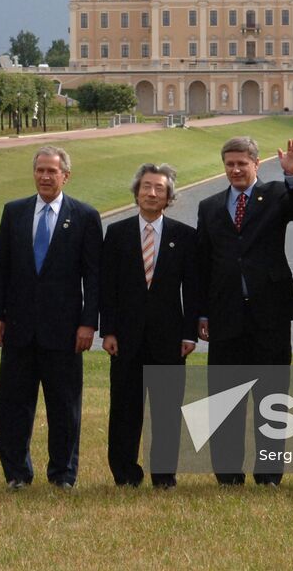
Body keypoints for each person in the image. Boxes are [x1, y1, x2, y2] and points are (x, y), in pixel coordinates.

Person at [196, 136, 293, 486]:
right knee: (224, 396)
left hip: (270, 313)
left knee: (272, 397)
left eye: (242, 164)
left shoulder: (277, 194)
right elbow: (203, 263)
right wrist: (201, 313)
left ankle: (269, 474)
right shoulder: (210, 206)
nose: (235, 170)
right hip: (225, 313)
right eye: (230, 164)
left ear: (256, 164)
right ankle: (228, 473)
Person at [0, 146, 101, 489]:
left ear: (66, 175)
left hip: (65, 331)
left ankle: (63, 474)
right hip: (18, 328)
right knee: (14, 406)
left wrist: (88, 322)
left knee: (64, 408)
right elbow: (1, 270)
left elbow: (93, 277)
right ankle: (17, 474)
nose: (45, 176)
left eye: (52, 171)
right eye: (40, 170)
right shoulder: (14, 212)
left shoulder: (84, 215)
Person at [100, 163, 198, 489]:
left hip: (169, 338)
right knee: (125, 408)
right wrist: (108, 330)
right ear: (136, 192)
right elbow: (107, 287)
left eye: (159, 188)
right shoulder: (116, 234)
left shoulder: (185, 237)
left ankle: (164, 475)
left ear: (169, 196)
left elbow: (193, 289)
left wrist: (189, 333)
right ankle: (125, 474)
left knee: (167, 410)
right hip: (125, 338)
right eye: (146, 187)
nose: (151, 193)